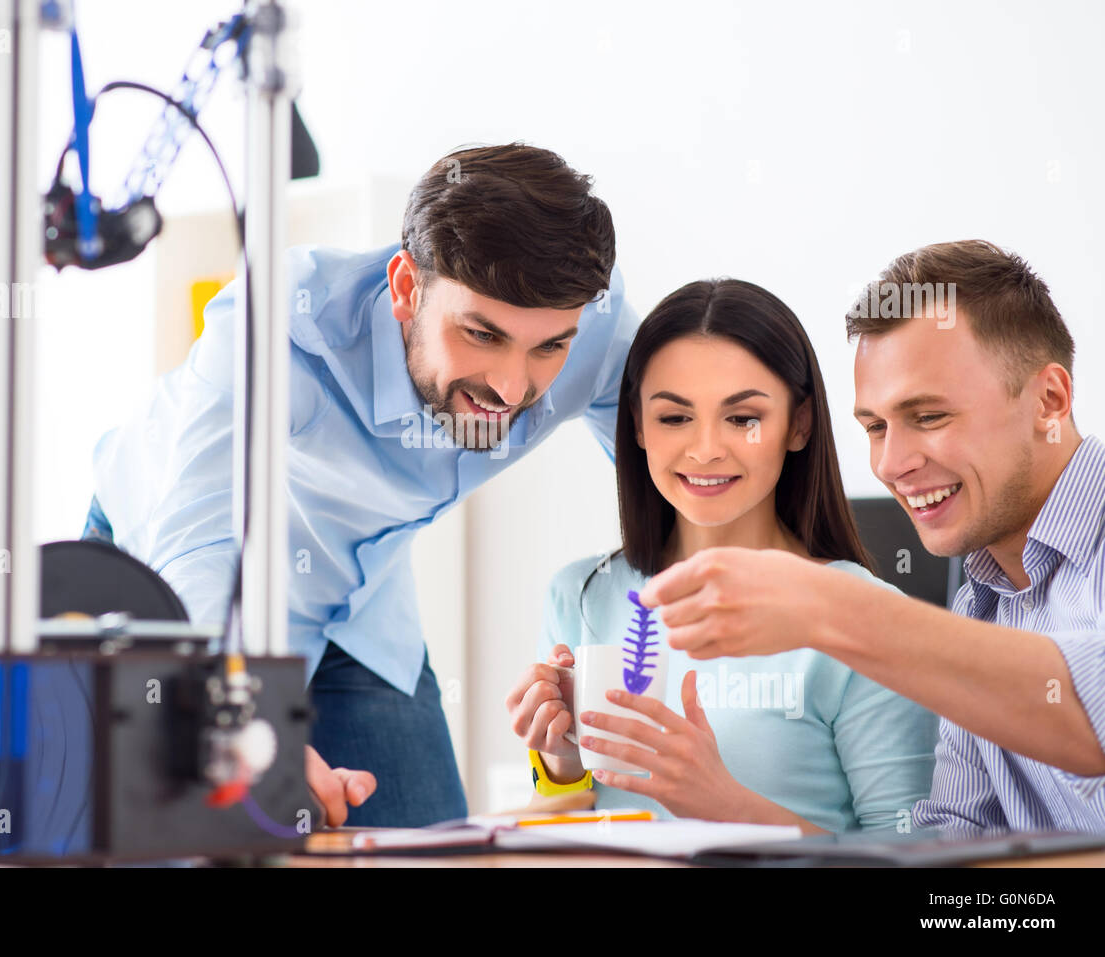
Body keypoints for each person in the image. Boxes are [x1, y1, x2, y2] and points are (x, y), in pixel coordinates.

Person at [88, 143, 640, 826]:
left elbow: (677, 475)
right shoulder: (280, 326)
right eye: (481, 334)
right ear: (407, 288)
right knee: (185, 833)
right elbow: (199, 542)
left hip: (360, 590)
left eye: (549, 346)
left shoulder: (594, 323)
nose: (512, 387)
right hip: (165, 565)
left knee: (429, 851)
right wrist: (242, 728)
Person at [637, 240, 1105, 834]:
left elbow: (1094, 713)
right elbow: (949, 839)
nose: (891, 463)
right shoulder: (983, 600)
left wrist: (834, 609)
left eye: (929, 416)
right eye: (875, 427)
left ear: (1049, 400)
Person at [505, 279, 938, 832]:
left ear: (798, 424)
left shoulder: (868, 617)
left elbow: (910, 856)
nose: (706, 448)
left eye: (742, 418)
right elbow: (572, 820)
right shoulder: (580, 596)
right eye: (673, 417)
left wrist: (722, 804)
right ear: (637, 424)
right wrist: (561, 765)